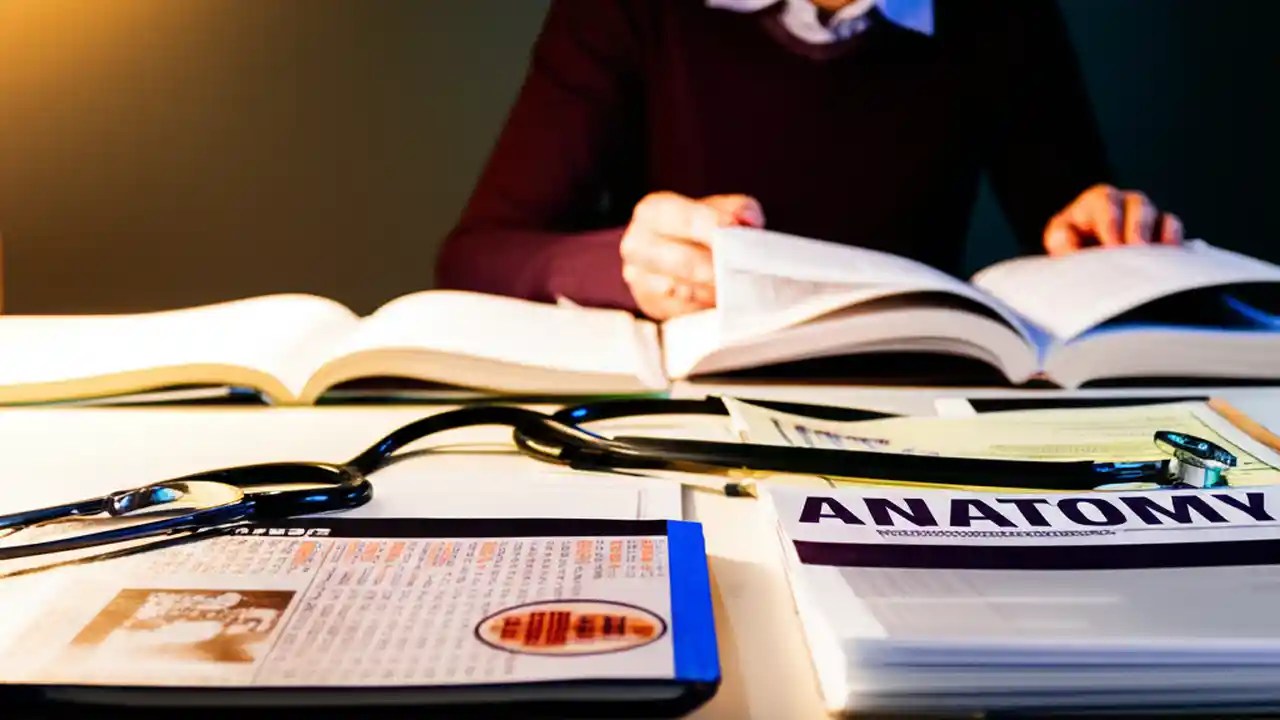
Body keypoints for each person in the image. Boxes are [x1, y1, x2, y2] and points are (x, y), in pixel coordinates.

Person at [436, 0, 1183, 321]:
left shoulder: (999, 15)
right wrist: (631, 265)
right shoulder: (630, 9)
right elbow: (480, 256)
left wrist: (1099, 238)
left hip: (917, 407)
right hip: (686, 413)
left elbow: (1066, 232)